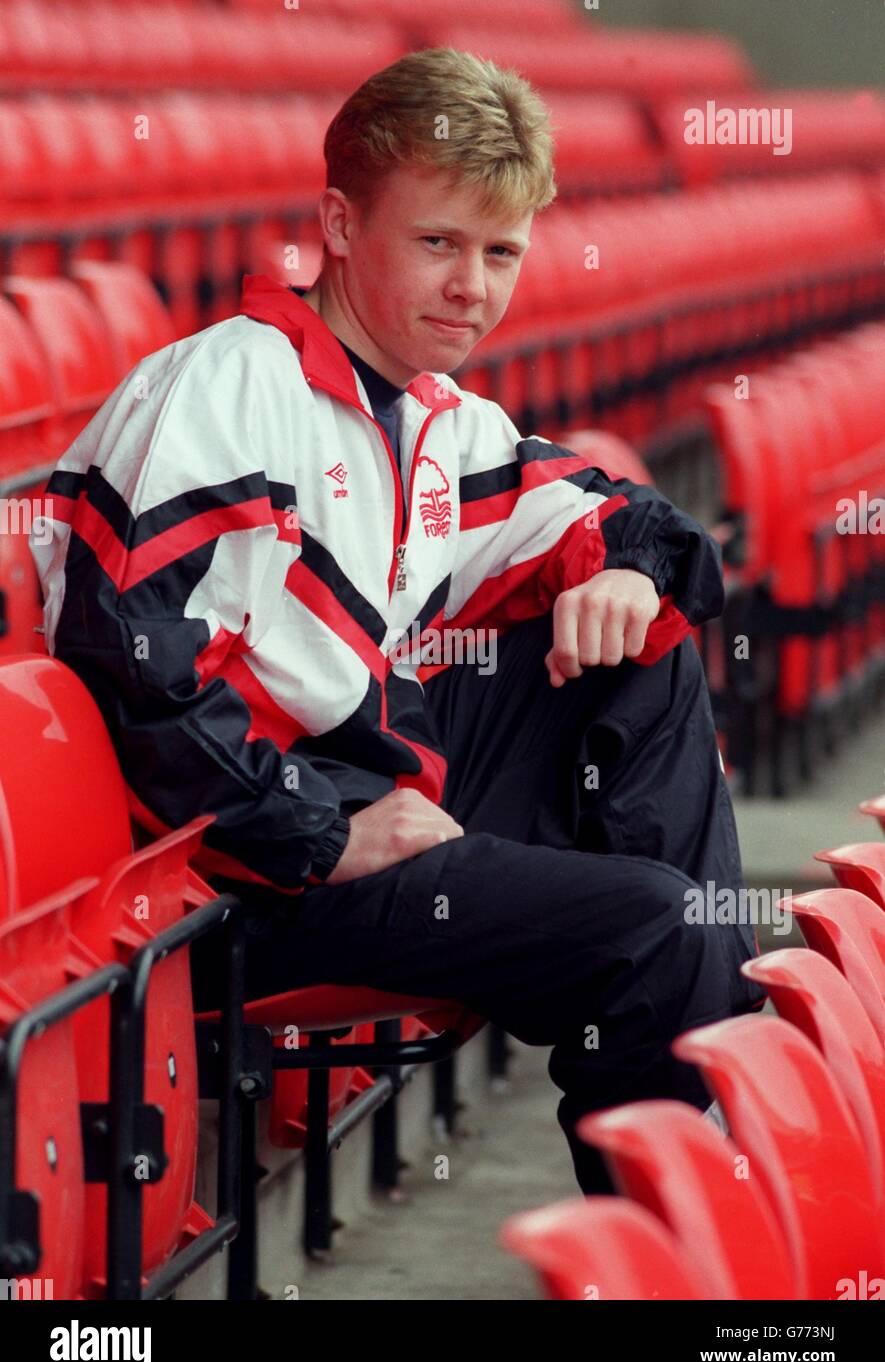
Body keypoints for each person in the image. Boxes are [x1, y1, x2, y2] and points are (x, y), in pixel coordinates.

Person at [30, 47, 766, 1196]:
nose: (472, 285)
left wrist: (621, 572)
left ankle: (678, 1029)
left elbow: (622, 517)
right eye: (437, 243)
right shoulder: (229, 387)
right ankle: (680, 1170)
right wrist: (321, 831)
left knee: (645, 648)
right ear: (337, 223)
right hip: (234, 879)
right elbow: (130, 662)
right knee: (660, 927)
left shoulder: (435, 417)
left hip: (358, 801)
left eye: (501, 252)